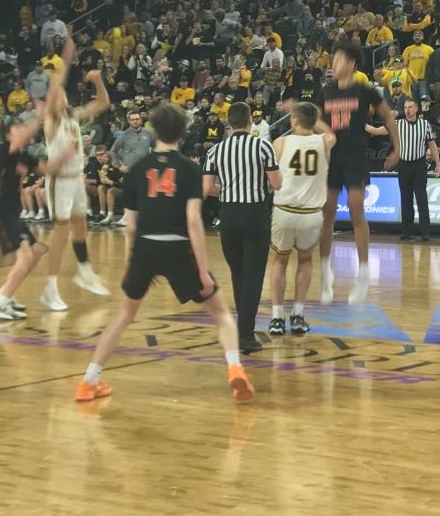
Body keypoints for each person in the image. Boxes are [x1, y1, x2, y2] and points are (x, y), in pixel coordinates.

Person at [75, 103, 255, 403]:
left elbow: (130, 226)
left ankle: (88, 381)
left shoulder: (137, 169)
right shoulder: (188, 169)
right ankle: (235, 368)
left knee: (124, 315)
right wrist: (201, 270)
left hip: (145, 246)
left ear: (153, 131)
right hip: (177, 245)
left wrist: (138, 265)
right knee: (221, 313)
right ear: (183, 133)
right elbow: (194, 222)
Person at [318, 42, 400, 304]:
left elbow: (388, 116)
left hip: (355, 156)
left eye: (339, 59)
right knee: (326, 213)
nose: (334, 64)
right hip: (331, 157)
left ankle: (363, 272)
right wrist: (326, 131)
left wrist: (396, 148)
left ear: (352, 64)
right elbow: (315, 119)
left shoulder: (366, 91)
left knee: (356, 210)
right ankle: (324, 272)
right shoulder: (325, 91)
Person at [203, 102, 281, 354]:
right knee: (254, 276)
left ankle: (242, 328)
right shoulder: (262, 146)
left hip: (228, 215)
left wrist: (228, 188)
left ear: (228, 122)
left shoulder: (216, 150)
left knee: (238, 273)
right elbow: (276, 183)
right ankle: (245, 334)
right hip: (254, 214)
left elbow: (206, 189)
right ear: (250, 121)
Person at [41, 37, 111, 310]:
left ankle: (84, 271)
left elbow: (103, 102)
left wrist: (96, 80)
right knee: (60, 235)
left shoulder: (73, 117)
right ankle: (50, 289)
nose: (62, 97)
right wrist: (65, 61)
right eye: (57, 95)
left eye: (63, 94)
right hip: (59, 181)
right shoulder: (52, 120)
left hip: (76, 180)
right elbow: (54, 91)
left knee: (80, 229)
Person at [0, 107, 62, 321]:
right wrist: (38, 116)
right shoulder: (5, 151)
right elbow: (23, 136)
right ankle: (1, 302)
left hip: (13, 212)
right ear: (10, 135)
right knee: (26, 256)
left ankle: (4, 294)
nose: (24, 131)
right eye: (18, 129)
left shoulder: (24, 157)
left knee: (36, 251)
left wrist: (68, 154)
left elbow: (48, 170)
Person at [267, 102, 334, 338]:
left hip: (284, 210)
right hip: (310, 214)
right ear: (313, 121)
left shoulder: (280, 143)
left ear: (294, 121)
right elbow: (330, 133)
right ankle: (297, 315)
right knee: (305, 261)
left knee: (279, 261)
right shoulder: (324, 141)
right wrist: (313, 117)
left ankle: (276, 317)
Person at [367, 98, 440, 241]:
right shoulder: (397, 124)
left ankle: (425, 232)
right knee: (405, 199)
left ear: (416, 109)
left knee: (422, 199)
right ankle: (407, 231)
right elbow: (376, 131)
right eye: (406, 107)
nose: (408, 110)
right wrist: (358, 123)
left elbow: (432, 146)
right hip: (404, 166)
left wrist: (437, 164)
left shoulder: (424, 124)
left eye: (411, 107)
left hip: (419, 166)